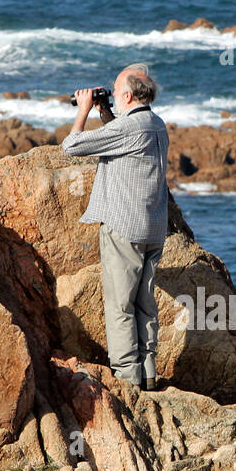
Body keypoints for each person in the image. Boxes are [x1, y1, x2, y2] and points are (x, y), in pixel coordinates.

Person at [61, 64, 170, 389]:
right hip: (153, 228)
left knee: (120, 305)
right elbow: (124, 137)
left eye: (114, 88)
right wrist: (105, 111)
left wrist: (83, 111)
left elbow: (72, 146)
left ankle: (127, 379)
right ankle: (148, 374)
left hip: (124, 227)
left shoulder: (127, 129)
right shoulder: (157, 124)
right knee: (145, 305)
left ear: (127, 94)